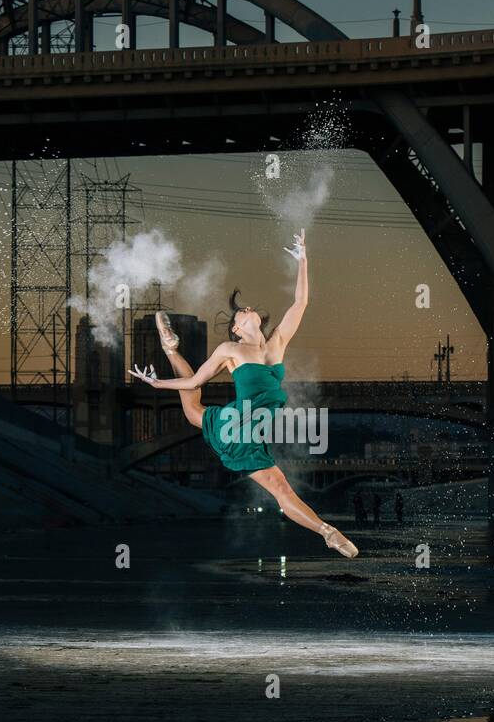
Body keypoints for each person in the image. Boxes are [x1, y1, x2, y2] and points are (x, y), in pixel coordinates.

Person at [131, 230, 357, 558]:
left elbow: (301, 302)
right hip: (236, 424)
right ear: (237, 328)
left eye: (246, 308)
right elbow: (195, 382)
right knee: (193, 406)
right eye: (240, 312)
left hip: (256, 430)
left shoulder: (277, 342)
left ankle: (327, 532)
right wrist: (157, 385)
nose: (246, 308)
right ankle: (170, 350)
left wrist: (303, 260)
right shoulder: (229, 349)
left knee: (280, 488)